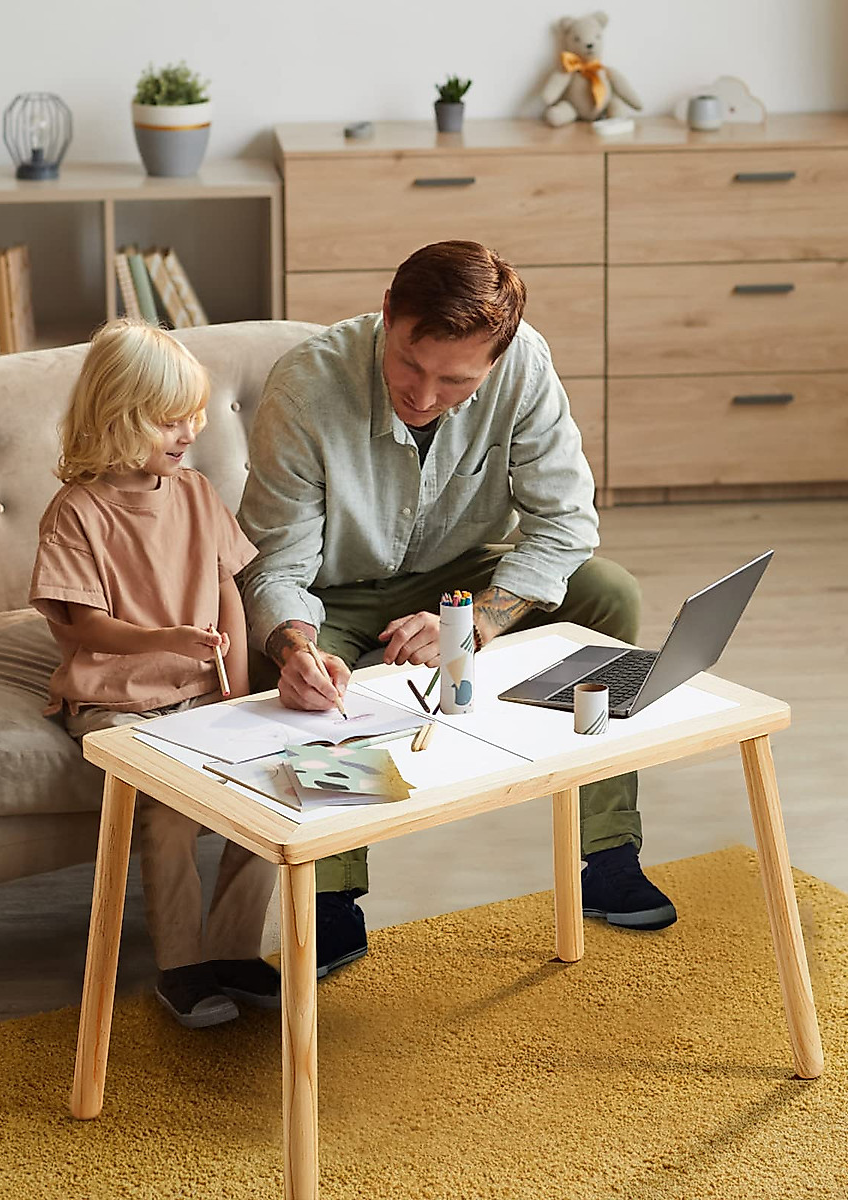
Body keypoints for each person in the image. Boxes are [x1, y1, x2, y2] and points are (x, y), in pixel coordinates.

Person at [238, 240, 677, 979]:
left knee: (610, 593)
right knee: (309, 681)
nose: (423, 394)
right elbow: (279, 566)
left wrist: (476, 623)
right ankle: (332, 898)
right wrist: (296, 649)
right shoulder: (306, 385)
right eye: (410, 364)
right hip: (334, 591)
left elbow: (565, 525)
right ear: (388, 314)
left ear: (496, 360)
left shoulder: (525, 365)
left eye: (456, 381)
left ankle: (607, 854)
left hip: (463, 579)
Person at [30, 318, 278, 1028]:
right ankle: (182, 969)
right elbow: (84, 626)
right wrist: (164, 639)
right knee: (169, 812)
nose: (190, 432)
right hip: (116, 701)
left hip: (200, 695)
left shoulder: (195, 492)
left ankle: (234, 951)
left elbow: (229, 591)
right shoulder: (77, 513)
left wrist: (236, 693)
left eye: (193, 416)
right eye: (170, 421)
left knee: (271, 787)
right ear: (118, 418)